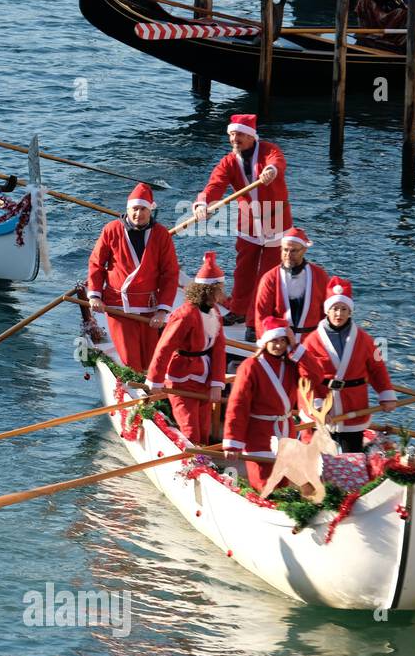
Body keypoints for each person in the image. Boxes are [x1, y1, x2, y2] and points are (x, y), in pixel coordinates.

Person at [192, 114, 293, 326]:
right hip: (248, 223)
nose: (234, 139)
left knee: (268, 275)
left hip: (276, 221)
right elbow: (215, 185)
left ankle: (258, 319)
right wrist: (203, 203)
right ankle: (238, 309)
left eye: (238, 135)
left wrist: (271, 171)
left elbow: (277, 162)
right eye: (231, 134)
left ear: (250, 136)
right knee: (243, 270)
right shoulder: (228, 161)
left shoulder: (268, 149)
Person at [86, 183, 180, 373]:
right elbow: (96, 263)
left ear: (150, 210)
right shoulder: (111, 230)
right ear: (127, 209)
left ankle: (150, 394)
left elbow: (170, 273)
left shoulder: (161, 234)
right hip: (118, 305)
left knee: (152, 359)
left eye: (143, 209)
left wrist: (163, 310)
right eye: (135, 209)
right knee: (131, 360)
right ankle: (136, 397)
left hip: (149, 306)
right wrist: (95, 295)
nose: (139, 214)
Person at [296, 277, 397, 453]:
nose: (339, 314)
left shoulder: (365, 340)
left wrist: (385, 394)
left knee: (352, 455)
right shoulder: (311, 342)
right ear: (327, 311)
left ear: (350, 311)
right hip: (321, 404)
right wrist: (319, 407)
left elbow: (377, 368)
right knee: (317, 459)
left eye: (344, 309)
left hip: (353, 405)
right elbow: (306, 377)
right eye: (335, 309)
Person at [146, 252, 228, 446]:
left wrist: (217, 383)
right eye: (220, 289)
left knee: (204, 429)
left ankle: (202, 461)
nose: (223, 294)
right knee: (190, 431)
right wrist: (155, 381)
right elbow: (164, 348)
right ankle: (191, 464)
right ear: (209, 290)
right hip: (182, 379)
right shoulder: (185, 315)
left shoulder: (215, 311)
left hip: (204, 377)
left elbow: (219, 348)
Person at [222, 316, 299, 492]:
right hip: (258, 435)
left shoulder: (292, 365)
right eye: (274, 340)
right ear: (265, 342)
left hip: (286, 431)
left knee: (285, 484)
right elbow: (238, 405)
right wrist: (233, 442)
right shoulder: (250, 366)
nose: (279, 345)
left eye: (283, 341)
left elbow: (315, 377)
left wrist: (297, 347)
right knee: (264, 485)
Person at [251, 226, 329, 343]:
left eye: (293, 251)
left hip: (311, 342)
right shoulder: (270, 278)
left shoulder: (319, 275)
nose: (288, 254)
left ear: (304, 250)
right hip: (281, 342)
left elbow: (327, 311)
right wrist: (266, 342)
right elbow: (262, 315)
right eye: (285, 250)